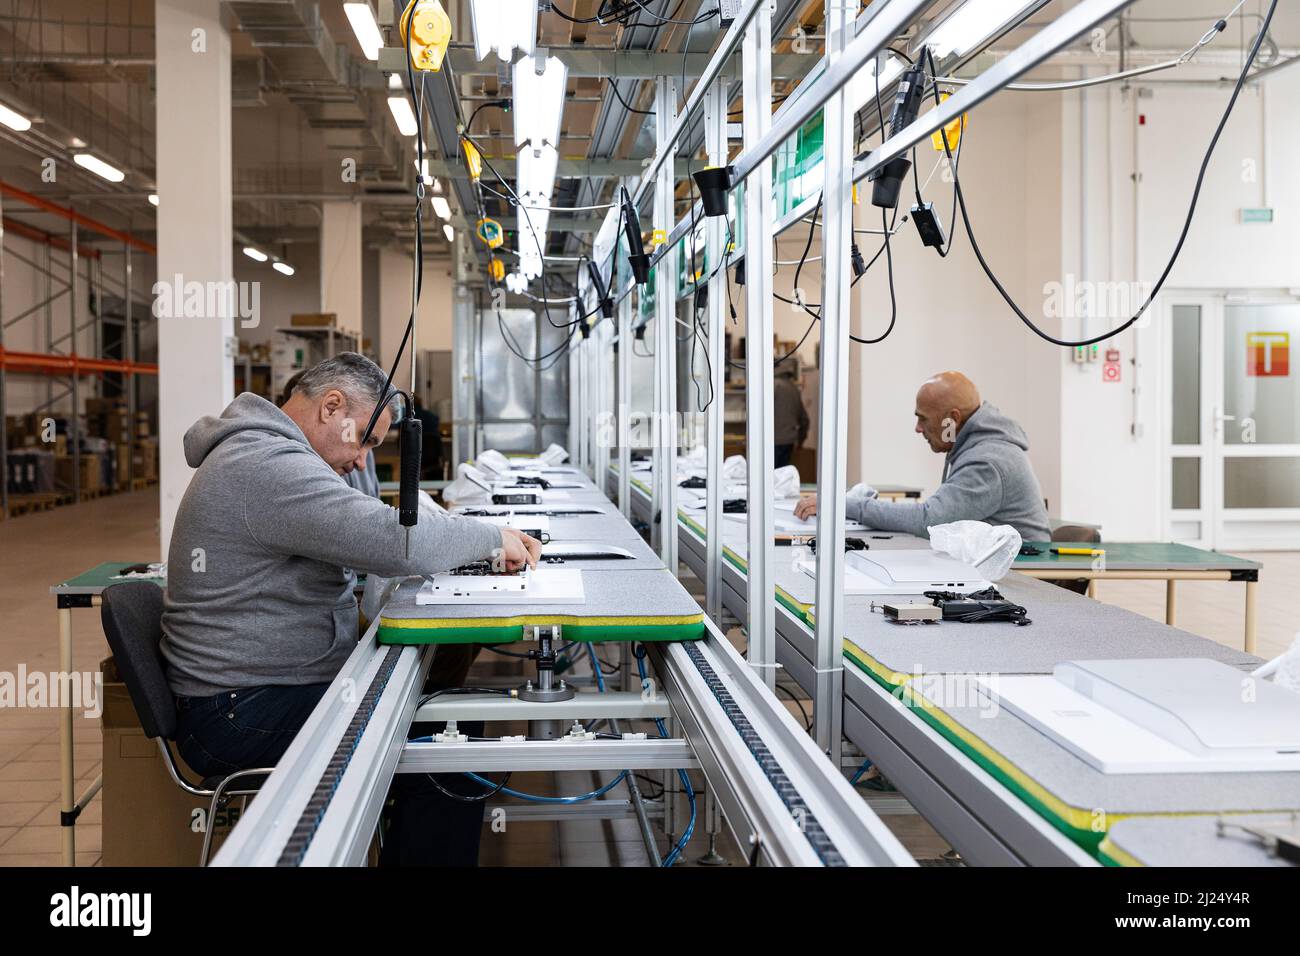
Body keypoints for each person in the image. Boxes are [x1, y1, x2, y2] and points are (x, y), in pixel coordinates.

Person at [162, 352, 539, 779]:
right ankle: (401, 837)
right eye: (365, 439)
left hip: (256, 689)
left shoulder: (271, 452)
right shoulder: (269, 465)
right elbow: (392, 540)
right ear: (331, 407)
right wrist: (492, 539)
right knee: (451, 735)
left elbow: (371, 529)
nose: (362, 461)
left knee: (441, 692)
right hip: (238, 712)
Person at [793, 371, 1049, 541]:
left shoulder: (988, 461)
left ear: (953, 419)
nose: (918, 428)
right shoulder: (974, 446)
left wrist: (841, 505)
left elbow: (930, 520)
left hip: (1021, 576)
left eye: (923, 418)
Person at [773, 363, 810, 470]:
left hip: (771, 441)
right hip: (789, 441)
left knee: (767, 478)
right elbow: (804, 419)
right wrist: (801, 440)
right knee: (783, 477)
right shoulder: (793, 388)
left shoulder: (772, 385)